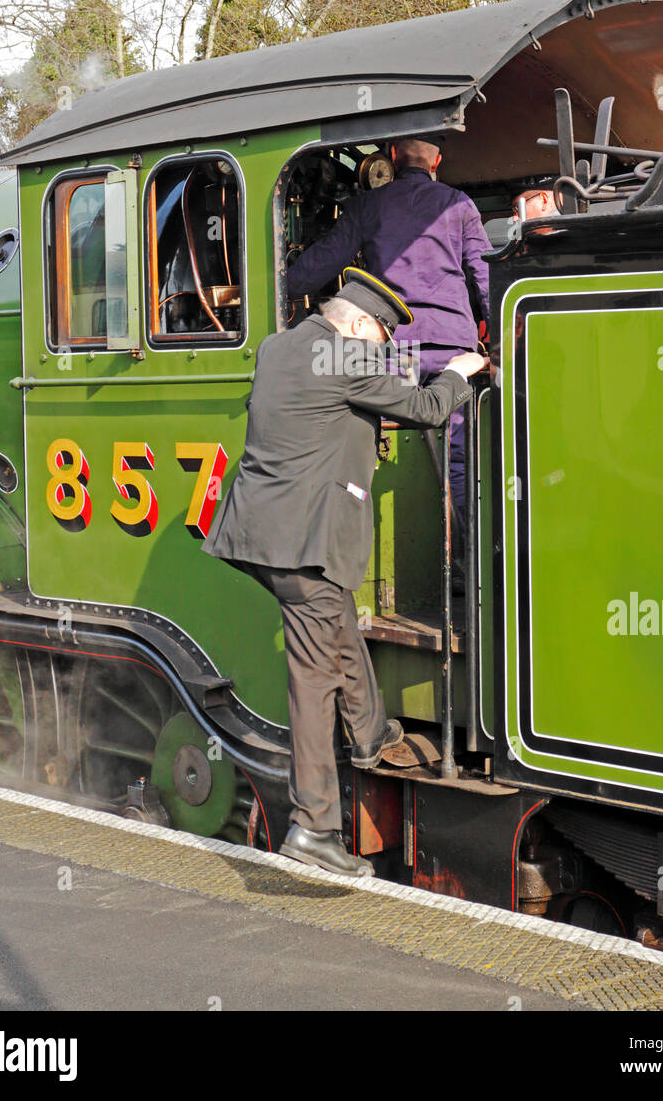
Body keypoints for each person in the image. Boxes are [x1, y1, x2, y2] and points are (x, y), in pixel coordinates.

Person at [202, 268, 484, 878]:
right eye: (379, 339)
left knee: (332, 624)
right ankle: (314, 827)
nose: (380, 351)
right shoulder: (344, 359)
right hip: (304, 543)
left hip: (259, 533)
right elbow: (426, 409)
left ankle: (371, 734)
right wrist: (458, 374)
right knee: (312, 679)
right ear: (357, 324)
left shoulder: (281, 345)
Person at [287, 136, 492, 520]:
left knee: (383, 443)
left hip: (399, 346)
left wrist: (282, 281)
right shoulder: (459, 204)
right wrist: (496, 339)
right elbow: (482, 273)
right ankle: (469, 559)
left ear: (393, 157)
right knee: (461, 459)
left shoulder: (369, 204)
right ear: (437, 162)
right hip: (454, 347)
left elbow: (325, 260)